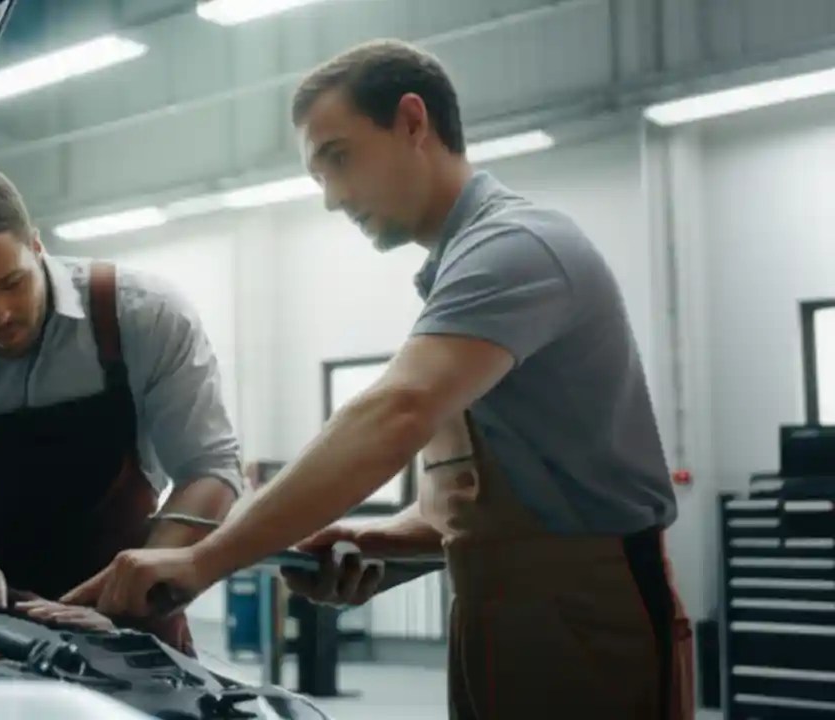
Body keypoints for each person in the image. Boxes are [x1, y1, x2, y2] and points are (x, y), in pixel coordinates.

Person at [63, 40, 694, 718]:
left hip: (589, 629)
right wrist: (383, 542)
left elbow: (394, 412)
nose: (333, 198)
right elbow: (503, 504)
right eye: (318, 176)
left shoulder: (516, 248)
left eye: (339, 158)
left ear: (413, 122)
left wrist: (206, 559)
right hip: (497, 622)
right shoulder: (459, 274)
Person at [0, 166, 241, 654]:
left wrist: (140, 577)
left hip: (136, 618)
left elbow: (209, 468)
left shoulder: (146, 315)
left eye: (12, 282)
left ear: (37, 246)